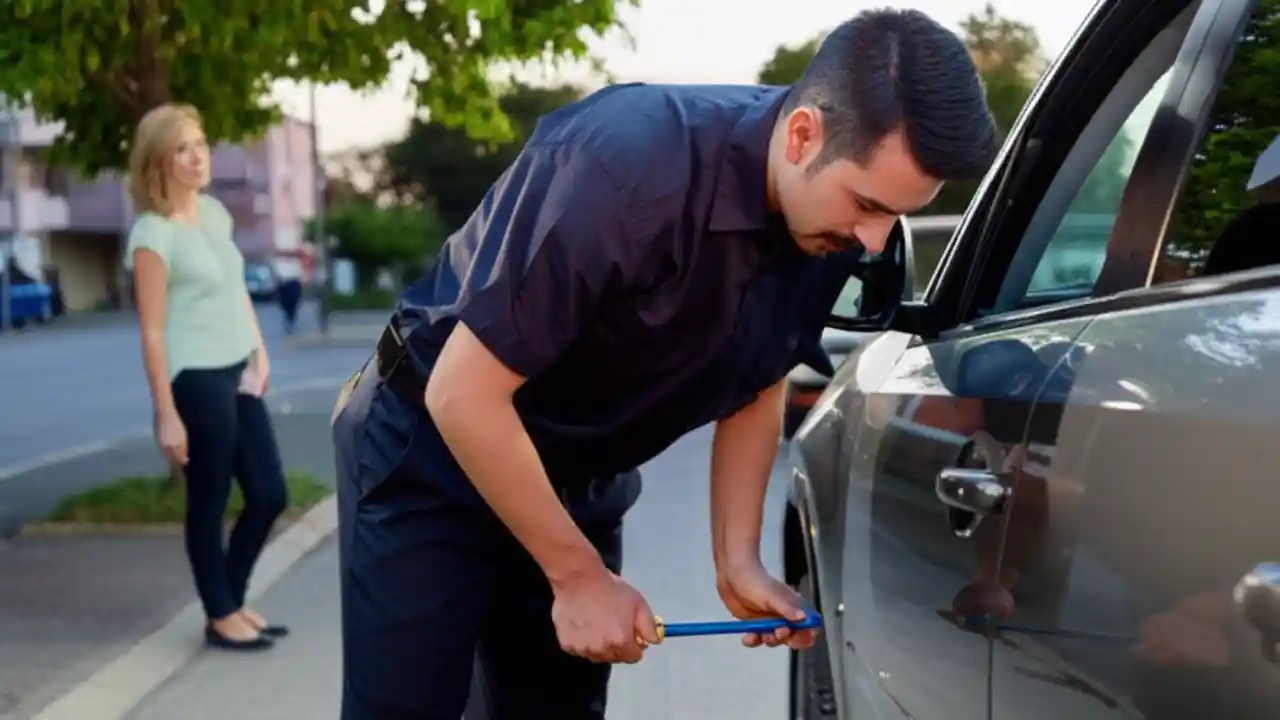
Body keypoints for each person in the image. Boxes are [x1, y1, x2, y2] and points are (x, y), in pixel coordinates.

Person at [331, 8, 999, 718]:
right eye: (867, 204)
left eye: (896, 215)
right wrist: (577, 575)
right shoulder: (620, 166)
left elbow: (759, 377)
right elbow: (463, 395)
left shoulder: (831, 228)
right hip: (432, 453)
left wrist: (736, 562)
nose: (874, 240)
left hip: (576, 473)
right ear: (803, 135)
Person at [125, 103, 290, 651]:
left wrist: (259, 352)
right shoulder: (152, 233)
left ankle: (230, 600)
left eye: (201, 143)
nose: (198, 156)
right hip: (194, 376)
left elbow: (235, 290)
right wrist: (165, 412)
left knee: (269, 492)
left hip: (237, 366)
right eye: (183, 148)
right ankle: (222, 613)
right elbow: (151, 330)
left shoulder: (216, 215)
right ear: (159, 161)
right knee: (210, 499)